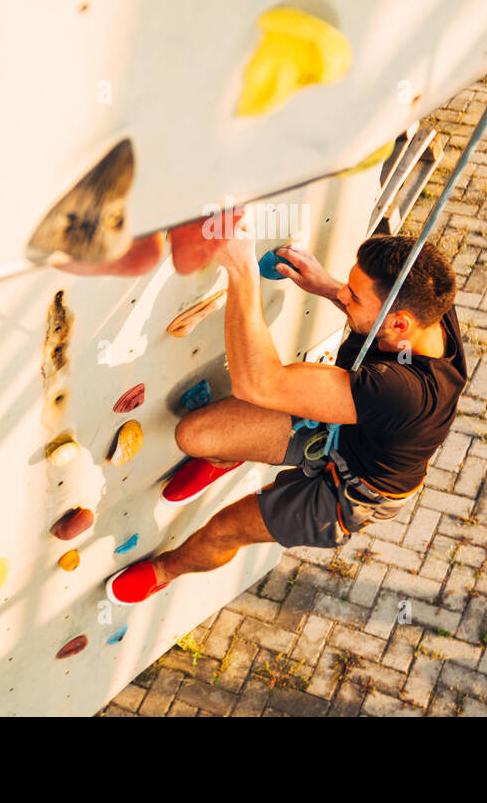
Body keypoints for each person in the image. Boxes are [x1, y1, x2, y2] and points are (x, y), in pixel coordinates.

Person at [106, 222, 468, 605]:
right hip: (346, 426)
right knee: (194, 435)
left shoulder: (405, 393)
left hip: (354, 490)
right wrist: (326, 286)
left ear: (399, 324)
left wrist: (241, 270)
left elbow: (260, 384)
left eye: (353, 296)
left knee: (225, 529)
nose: (344, 296)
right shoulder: (426, 305)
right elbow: (376, 313)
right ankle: (223, 460)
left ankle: (164, 572)